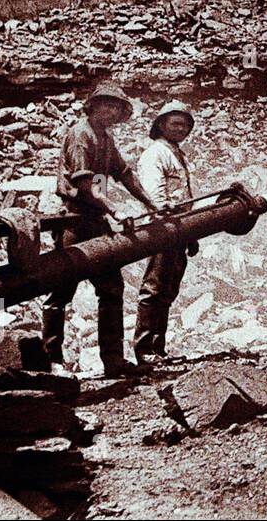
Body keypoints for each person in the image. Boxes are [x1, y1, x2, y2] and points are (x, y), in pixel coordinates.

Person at [44, 81, 158, 378]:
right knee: (61, 291)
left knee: (111, 289)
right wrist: (116, 210)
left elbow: (124, 174)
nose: (110, 111)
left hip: (96, 220)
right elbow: (84, 185)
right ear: (92, 106)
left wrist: (151, 204)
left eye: (116, 107)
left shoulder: (105, 138)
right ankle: (51, 359)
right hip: (74, 220)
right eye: (105, 104)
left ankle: (113, 359)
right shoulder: (80, 135)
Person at [133, 101, 196, 365]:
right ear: (161, 125)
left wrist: (191, 234)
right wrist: (163, 216)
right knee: (155, 288)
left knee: (168, 289)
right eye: (175, 123)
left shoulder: (178, 155)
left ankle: (158, 349)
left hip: (179, 229)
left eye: (185, 125)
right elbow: (155, 195)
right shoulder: (154, 154)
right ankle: (145, 349)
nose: (181, 129)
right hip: (162, 229)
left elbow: (186, 197)